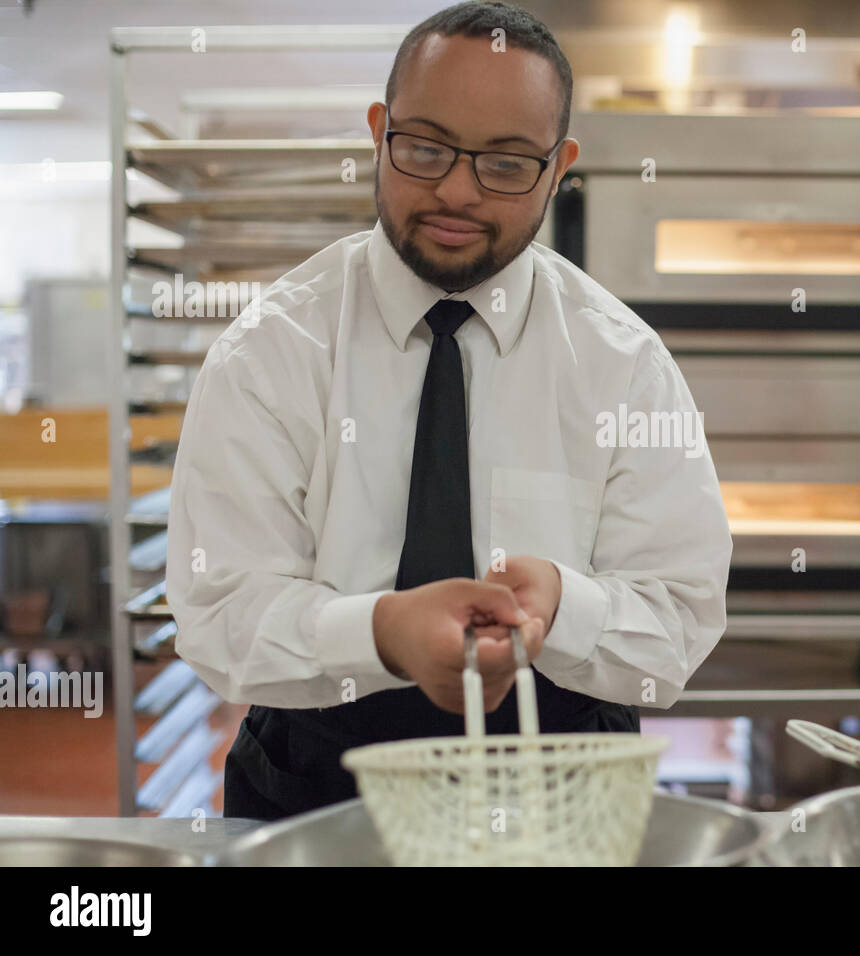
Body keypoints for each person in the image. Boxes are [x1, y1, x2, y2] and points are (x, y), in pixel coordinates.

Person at [165, 1, 732, 821]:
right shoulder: (270, 351)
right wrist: (383, 632)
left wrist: (566, 608)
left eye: (505, 164)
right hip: (319, 789)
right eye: (424, 148)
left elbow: (679, 621)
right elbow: (219, 615)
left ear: (559, 164)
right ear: (377, 131)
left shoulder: (623, 363)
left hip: (563, 797)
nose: (456, 191)